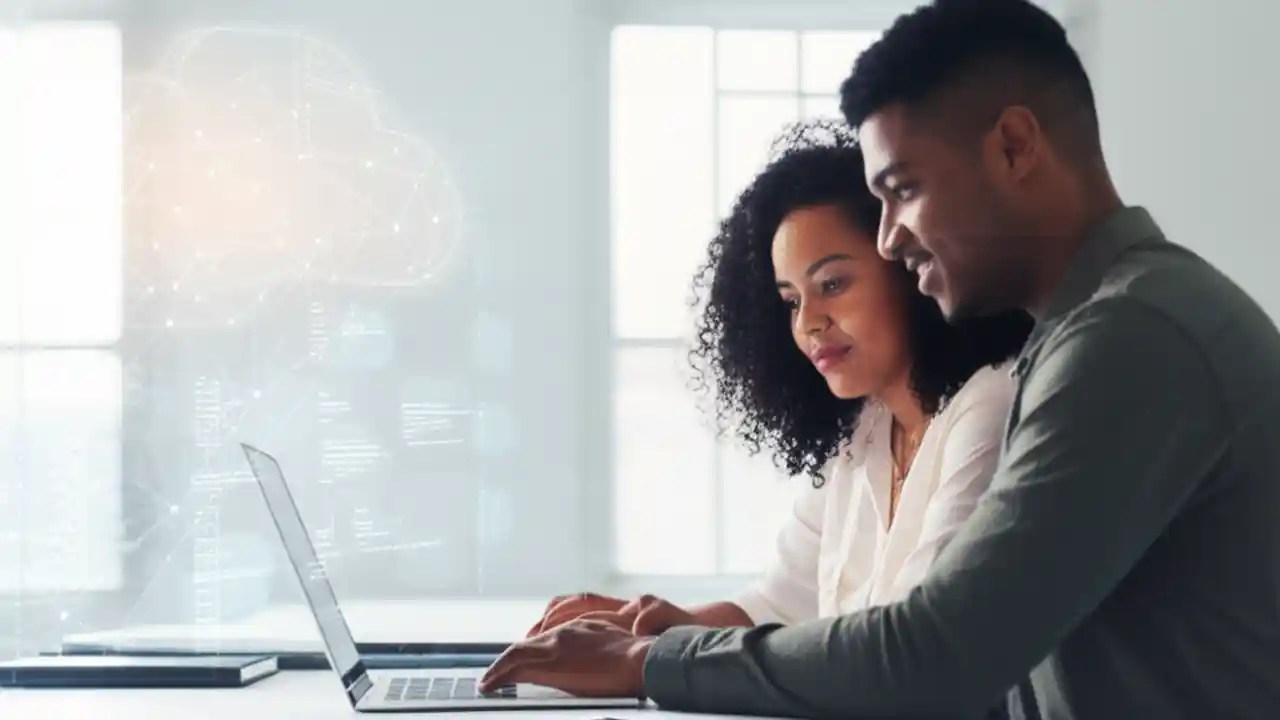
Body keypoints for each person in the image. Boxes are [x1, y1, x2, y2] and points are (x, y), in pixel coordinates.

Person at [480, 1, 1280, 718]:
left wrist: (651, 662)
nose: (891, 236)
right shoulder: (1093, 332)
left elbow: (934, 654)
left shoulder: (1131, 339)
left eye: (901, 190)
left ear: (1013, 145)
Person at [523, 121, 1031, 645]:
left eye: (832, 284)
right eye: (791, 301)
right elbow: (777, 606)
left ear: (908, 266)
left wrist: (654, 660)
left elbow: (904, 644)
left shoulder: (989, 405)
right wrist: (646, 623)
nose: (809, 322)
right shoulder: (868, 430)